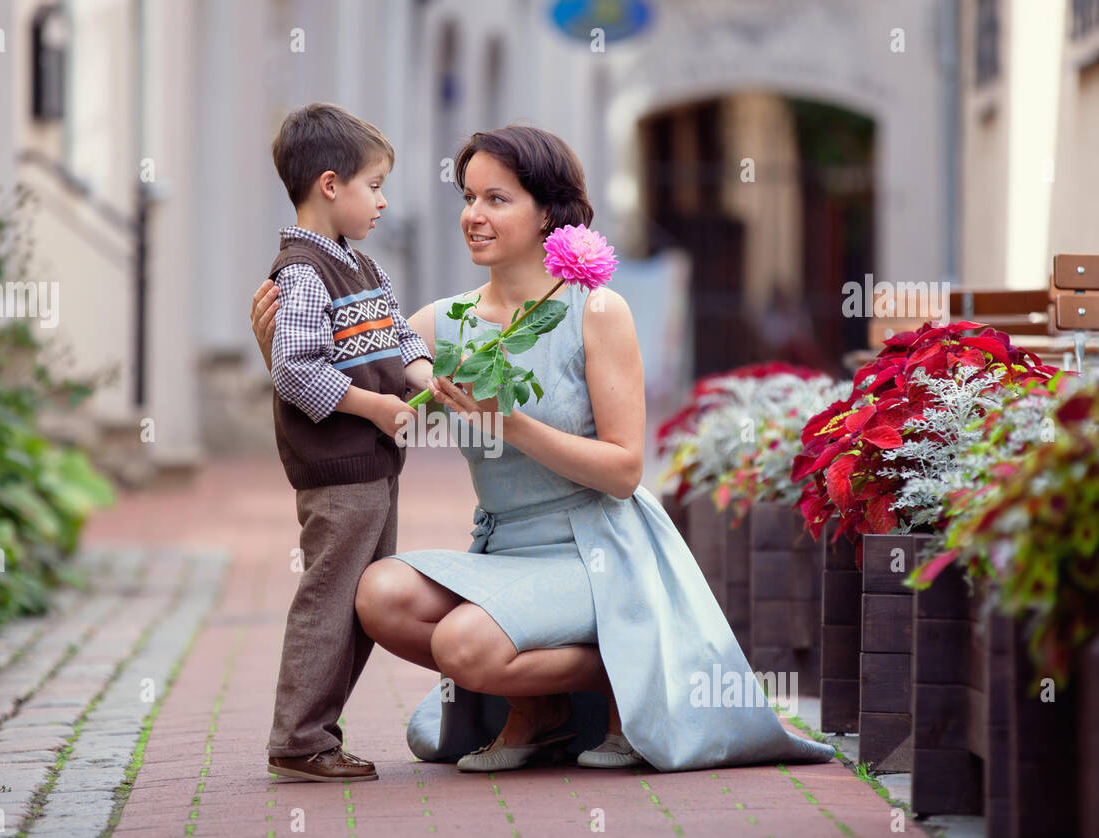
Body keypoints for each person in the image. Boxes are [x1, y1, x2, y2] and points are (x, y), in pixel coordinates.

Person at [251, 124, 835, 775]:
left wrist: (513, 425)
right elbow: (374, 410)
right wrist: (278, 355)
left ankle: (629, 675)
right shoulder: (440, 324)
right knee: (379, 592)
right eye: (468, 198)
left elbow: (623, 471)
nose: (473, 216)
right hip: (503, 551)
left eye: (496, 199)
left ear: (547, 212)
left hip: (600, 551)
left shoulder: (597, 310)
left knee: (465, 644)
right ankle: (542, 709)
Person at [257, 103, 434, 783]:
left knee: (359, 603)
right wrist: (375, 407)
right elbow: (297, 369)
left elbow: (400, 338)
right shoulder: (302, 272)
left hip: (374, 464)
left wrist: (426, 379)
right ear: (331, 186)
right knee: (330, 598)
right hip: (338, 470)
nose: (384, 202)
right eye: (375, 184)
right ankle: (298, 740)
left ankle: (316, 733)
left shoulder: (362, 268)